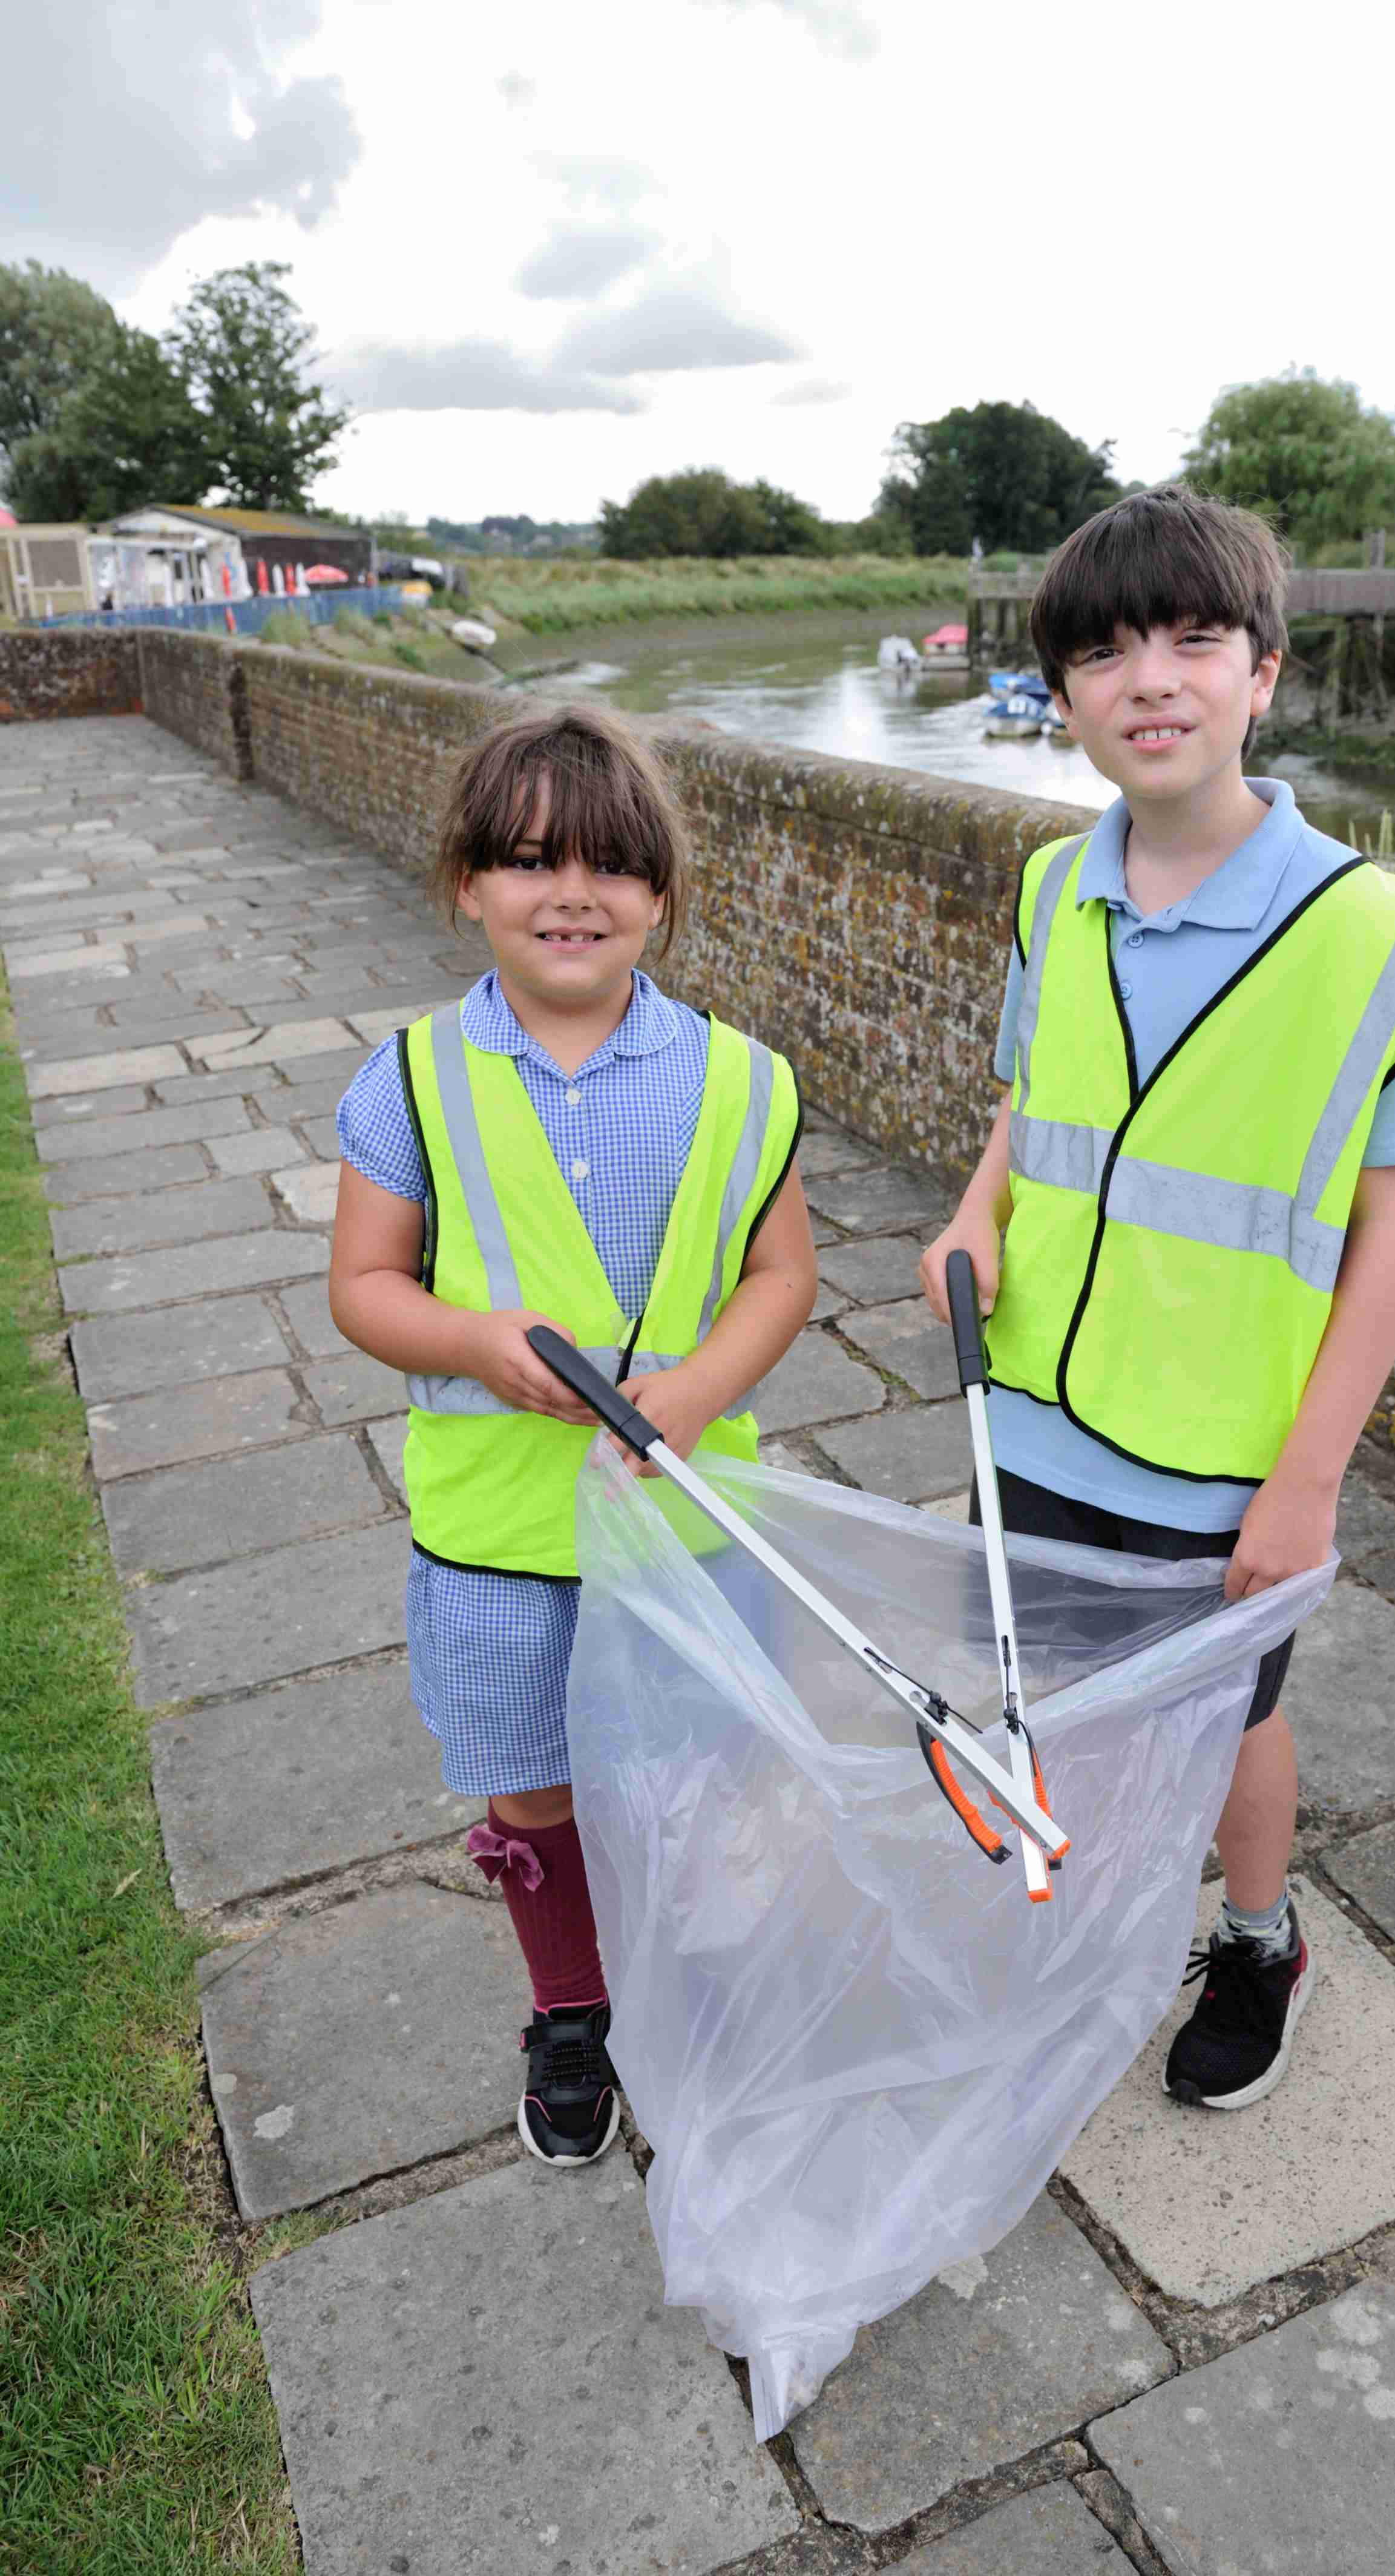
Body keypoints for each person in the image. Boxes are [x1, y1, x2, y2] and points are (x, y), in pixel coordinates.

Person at [922, 487, 1395, 2111]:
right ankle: (1083, 1923)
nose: (1149, 679)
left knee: (1230, 1724)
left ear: (1265, 674)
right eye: (1102, 653)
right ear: (1063, 696)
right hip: (1027, 1406)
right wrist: (973, 1215)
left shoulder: (1369, 935)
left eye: (1192, 640)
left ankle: (1255, 1936)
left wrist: (1305, 1487)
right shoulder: (1048, 890)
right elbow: (1032, 1105)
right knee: (1057, 1697)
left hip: (1226, 1452)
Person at [329, 703, 816, 2166]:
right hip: (496, 1539)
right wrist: (475, 1341)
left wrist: (701, 1386)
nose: (572, 894)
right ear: (467, 882)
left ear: (659, 895)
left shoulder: (743, 1080)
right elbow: (363, 1286)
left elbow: (782, 1275)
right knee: (534, 1786)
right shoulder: (409, 1081)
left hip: (680, 1525)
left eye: (610, 866)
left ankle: (692, 1983)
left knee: (686, 1778)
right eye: (531, 860)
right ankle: (574, 2008)